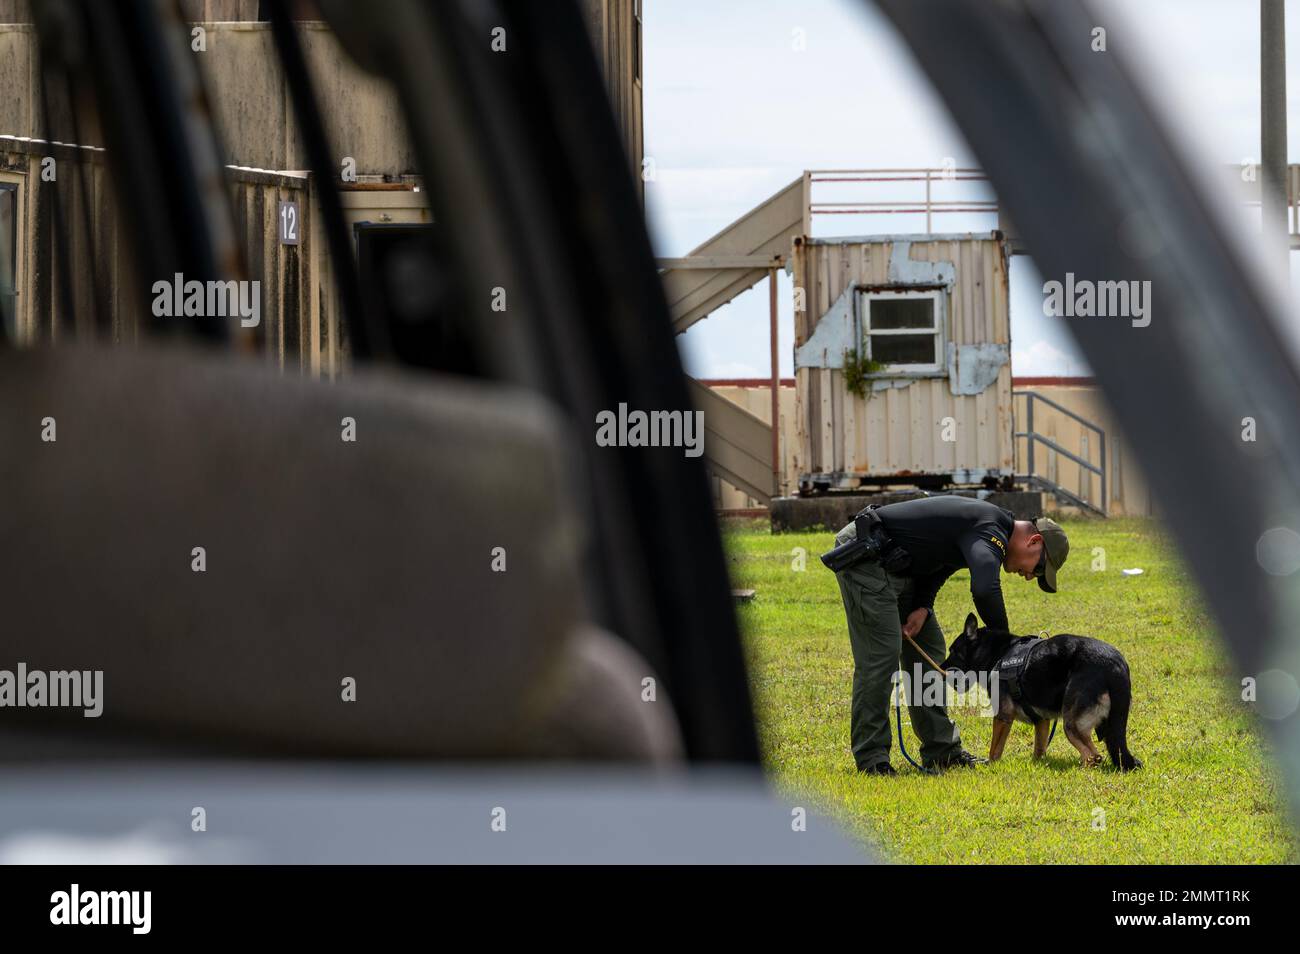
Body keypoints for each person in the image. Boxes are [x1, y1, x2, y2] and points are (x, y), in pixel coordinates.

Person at [829, 495, 1069, 775]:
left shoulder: (985, 528)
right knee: (881, 655)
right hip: (867, 553)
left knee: (928, 649)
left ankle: (942, 751)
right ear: (1034, 541)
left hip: (899, 563)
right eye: (1038, 569)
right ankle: (872, 759)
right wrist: (1006, 646)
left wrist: (923, 605)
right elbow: (985, 589)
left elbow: (942, 563)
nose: (1030, 576)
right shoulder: (990, 529)